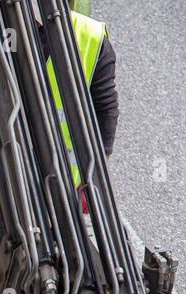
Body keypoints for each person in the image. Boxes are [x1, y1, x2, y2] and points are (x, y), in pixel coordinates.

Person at [51, 9, 121, 185]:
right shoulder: (3, 23)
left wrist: (94, 182)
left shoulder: (91, 39)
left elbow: (106, 113)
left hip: (63, 187)